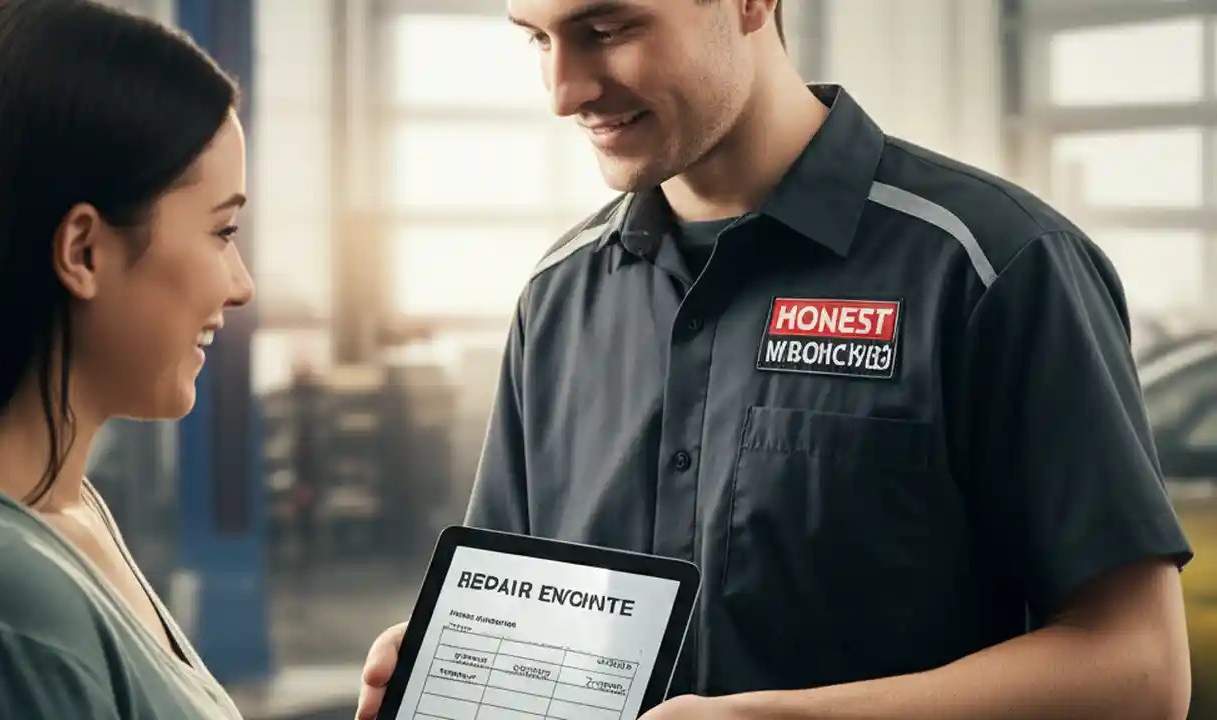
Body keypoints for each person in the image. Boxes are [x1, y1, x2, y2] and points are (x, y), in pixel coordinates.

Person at [358, 0, 1194, 718]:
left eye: (606, 28)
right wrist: (464, 666)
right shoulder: (559, 295)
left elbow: (1139, 673)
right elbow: (531, 613)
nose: (563, 92)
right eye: (537, 39)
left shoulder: (993, 265)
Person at [0, 0, 255, 717]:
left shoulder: (69, 512)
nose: (241, 285)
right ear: (83, 250)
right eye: (222, 230)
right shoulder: (2, 606)